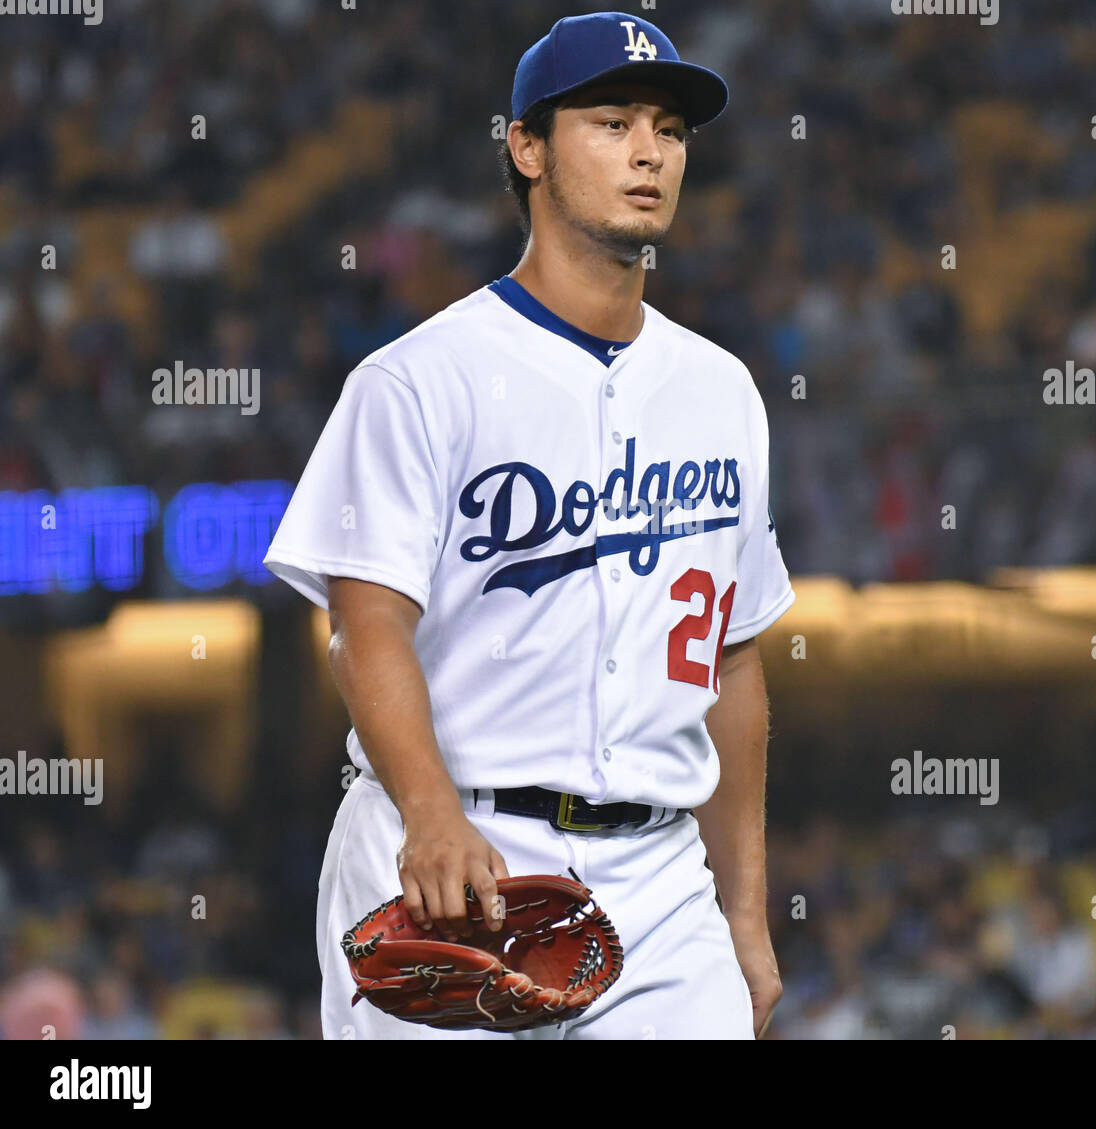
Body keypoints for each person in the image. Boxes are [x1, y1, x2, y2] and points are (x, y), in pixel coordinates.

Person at [264, 10, 796, 1040]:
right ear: (526, 146)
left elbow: (732, 661)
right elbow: (364, 627)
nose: (648, 151)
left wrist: (742, 907)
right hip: (450, 855)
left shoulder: (722, 391)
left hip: (656, 876)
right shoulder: (420, 380)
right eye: (610, 121)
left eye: (669, 130)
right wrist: (428, 810)